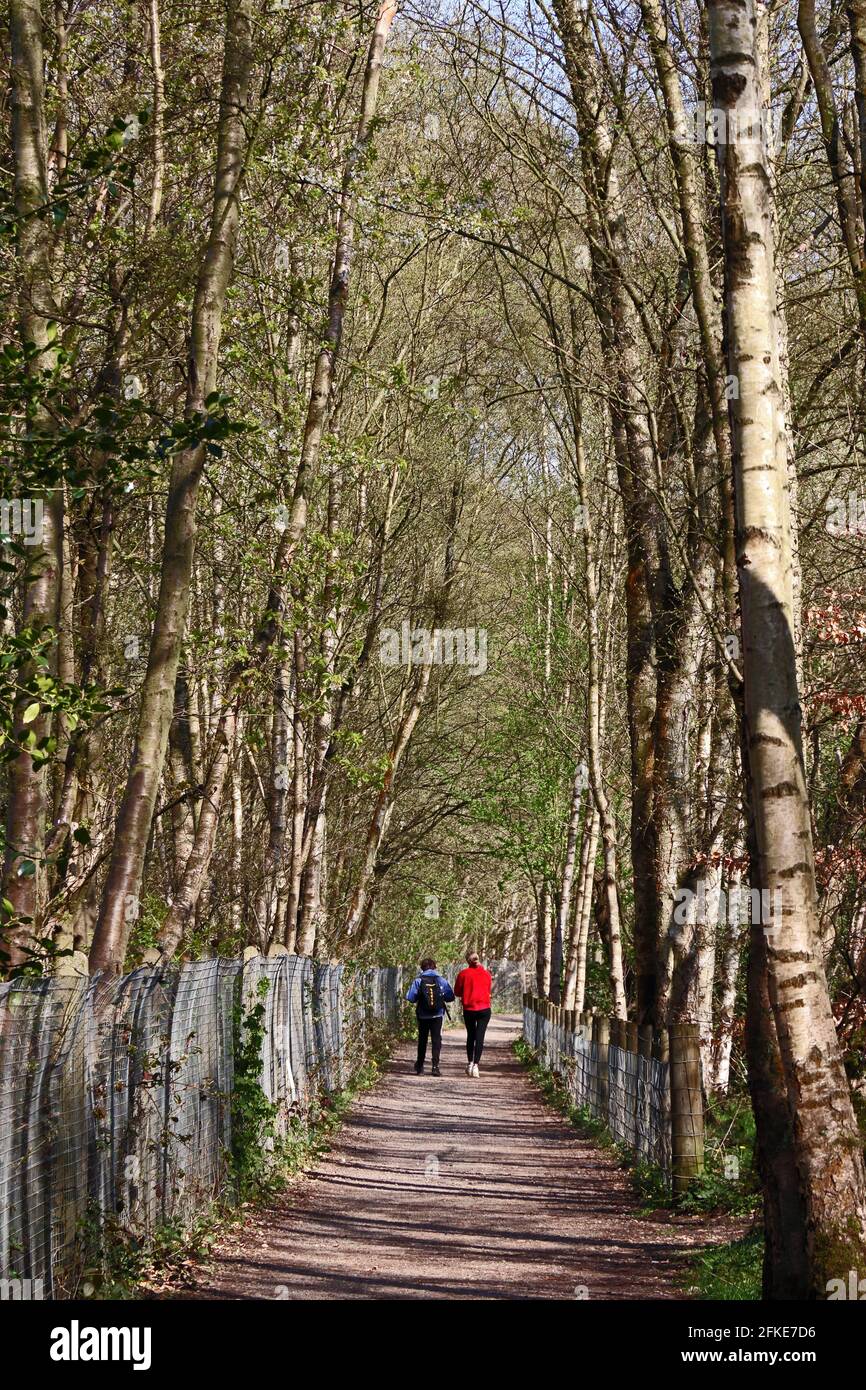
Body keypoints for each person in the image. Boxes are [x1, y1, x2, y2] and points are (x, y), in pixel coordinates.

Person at [405, 957, 455, 1076]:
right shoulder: (441, 980)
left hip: (422, 1015)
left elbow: (410, 998)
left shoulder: (418, 981)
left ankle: (420, 1067)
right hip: (437, 1015)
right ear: (434, 967)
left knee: (422, 1040)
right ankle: (435, 1067)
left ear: (422, 968)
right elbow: (450, 997)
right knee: (436, 1040)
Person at [454, 951, 493, 1077]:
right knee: (480, 1036)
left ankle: (470, 1063)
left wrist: (467, 992)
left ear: (467, 961)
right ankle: (476, 1065)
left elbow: (457, 992)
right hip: (484, 1009)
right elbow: (488, 990)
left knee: (471, 1035)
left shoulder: (463, 974)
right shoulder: (487, 974)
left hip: (469, 1009)